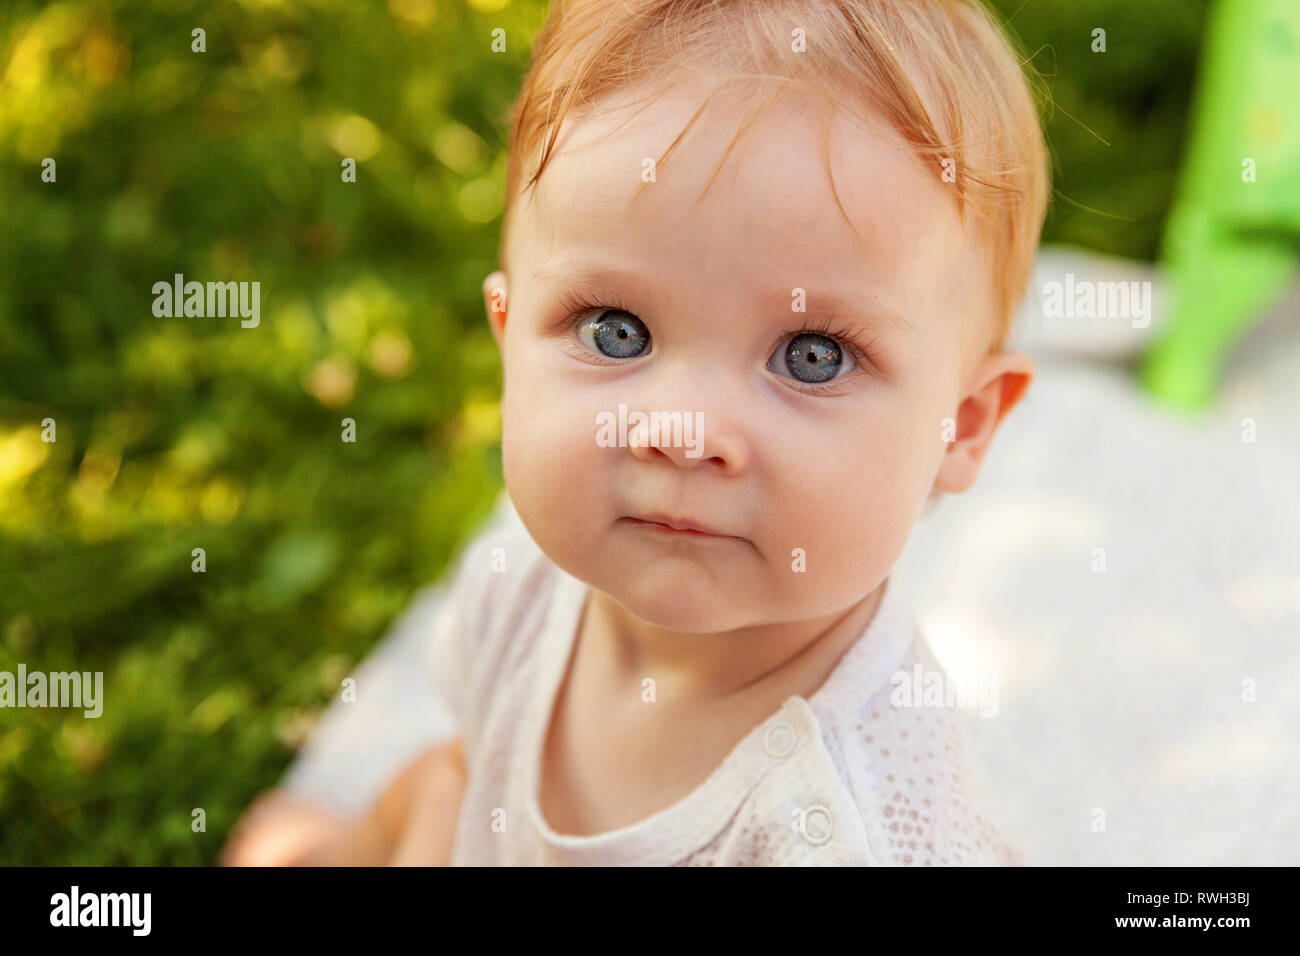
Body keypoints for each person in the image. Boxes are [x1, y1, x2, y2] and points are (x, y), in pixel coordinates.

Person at [226, 0, 1049, 866]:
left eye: (812, 356)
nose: (684, 432)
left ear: (961, 424)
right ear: (510, 341)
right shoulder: (527, 577)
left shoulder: (850, 830)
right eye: (616, 330)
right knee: (444, 787)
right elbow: (474, 767)